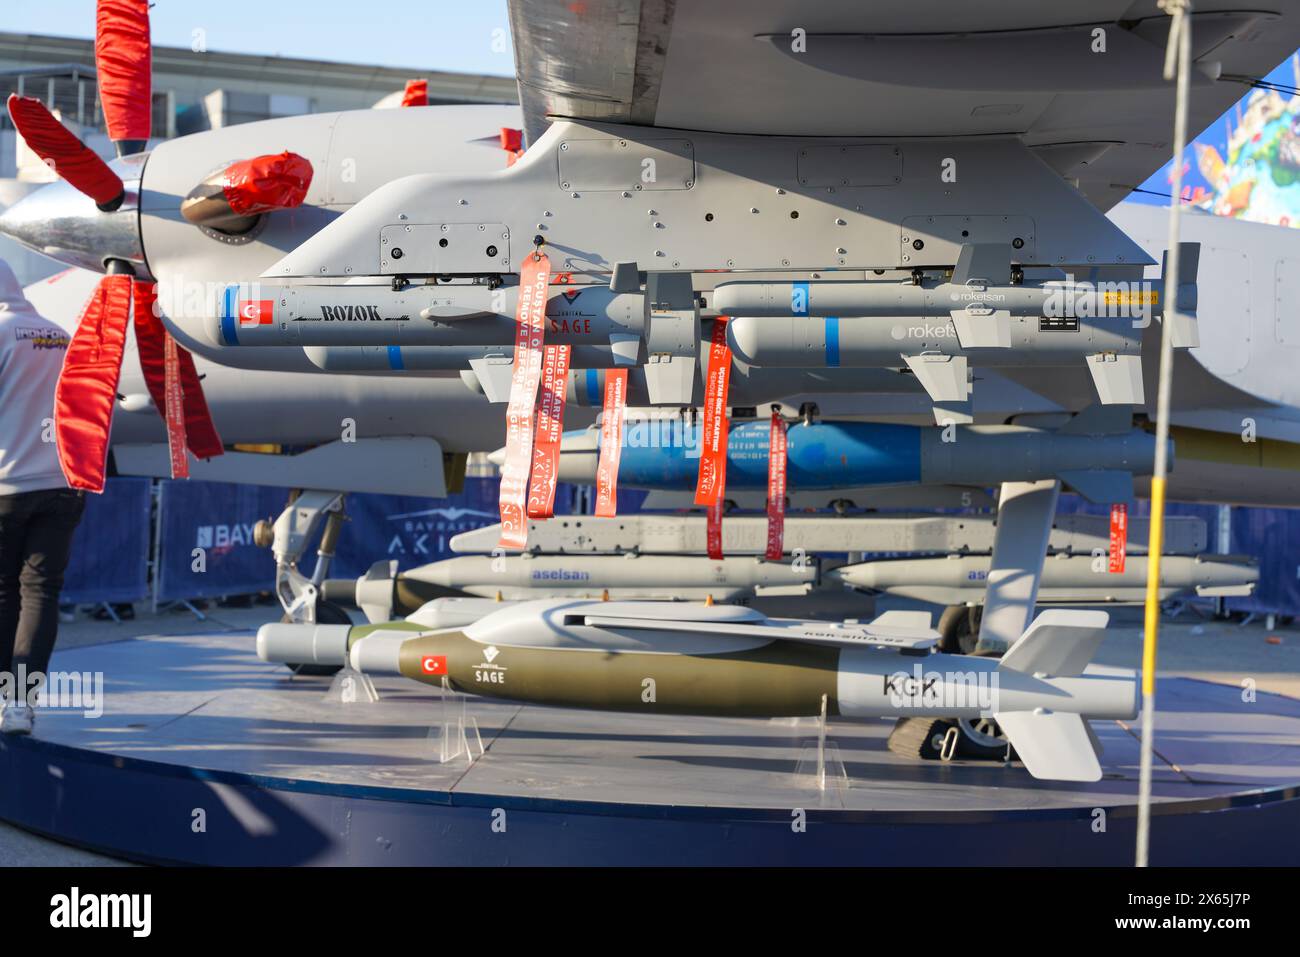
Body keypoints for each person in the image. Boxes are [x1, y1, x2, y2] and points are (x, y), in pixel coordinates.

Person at [0, 260, 84, 735]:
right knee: (41, 593)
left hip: (7, 485)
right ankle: (19, 705)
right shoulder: (59, 334)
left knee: (3, 592)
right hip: (61, 483)